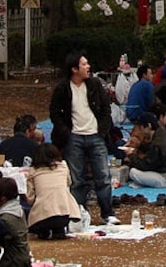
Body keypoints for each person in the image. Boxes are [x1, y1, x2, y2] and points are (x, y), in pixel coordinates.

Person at [48, 50, 117, 223]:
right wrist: (65, 132)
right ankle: (79, 213)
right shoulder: (63, 88)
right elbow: (54, 113)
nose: (88, 67)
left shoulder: (94, 84)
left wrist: (102, 130)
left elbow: (106, 109)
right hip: (74, 137)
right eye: (84, 64)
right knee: (76, 179)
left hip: (95, 135)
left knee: (103, 176)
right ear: (74, 69)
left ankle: (107, 213)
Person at [25, 143, 81, 240]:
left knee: (41, 221)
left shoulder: (33, 171)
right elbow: (69, 182)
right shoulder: (63, 165)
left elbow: (30, 198)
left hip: (41, 218)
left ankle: (44, 232)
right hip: (65, 214)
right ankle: (58, 231)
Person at [121, 112, 166, 188]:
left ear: (149, 126)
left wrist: (131, 155)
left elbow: (145, 165)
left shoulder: (158, 143)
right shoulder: (162, 133)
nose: (140, 131)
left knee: (133, 173)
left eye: (141, 128)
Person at [0, 176, 32, 267]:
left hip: (11, 262)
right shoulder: (19, 210)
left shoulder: (5, 218)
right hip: (24, 258)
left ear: (2, 198)